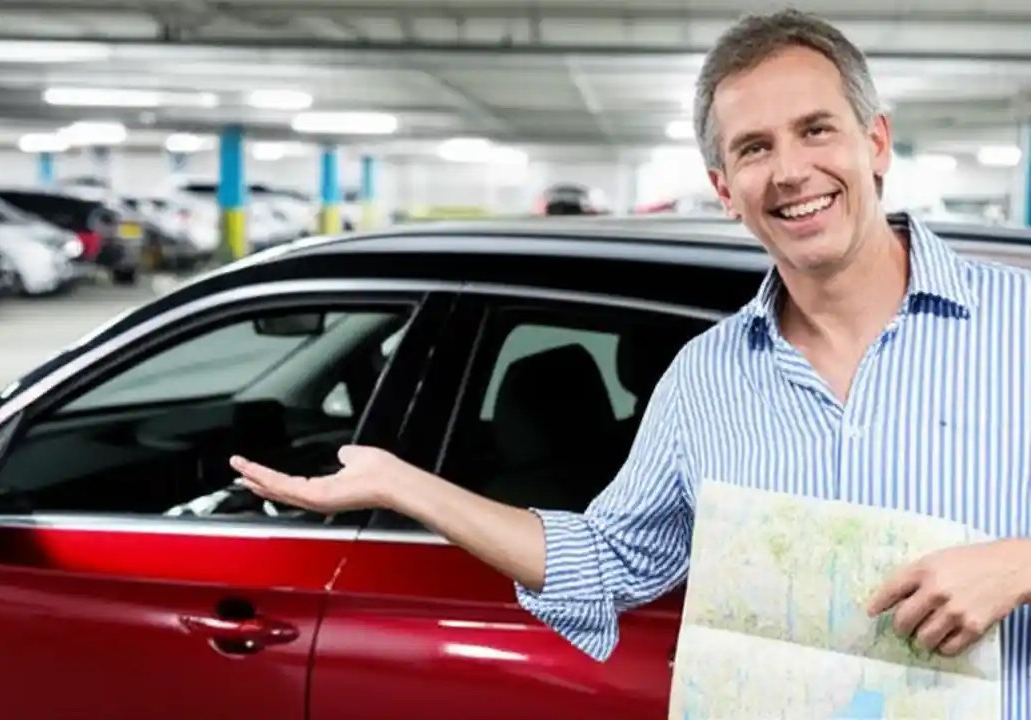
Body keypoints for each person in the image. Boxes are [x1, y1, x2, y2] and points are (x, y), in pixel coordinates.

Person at [230, 8, 1031, 715]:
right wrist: (399, 483)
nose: (789, 171)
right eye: (755, 148)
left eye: (816, 129)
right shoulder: (705, 379)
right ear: (725, 188)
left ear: (876, 142)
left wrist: (1020, 564)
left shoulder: (1020, 325)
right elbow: (606, 561)